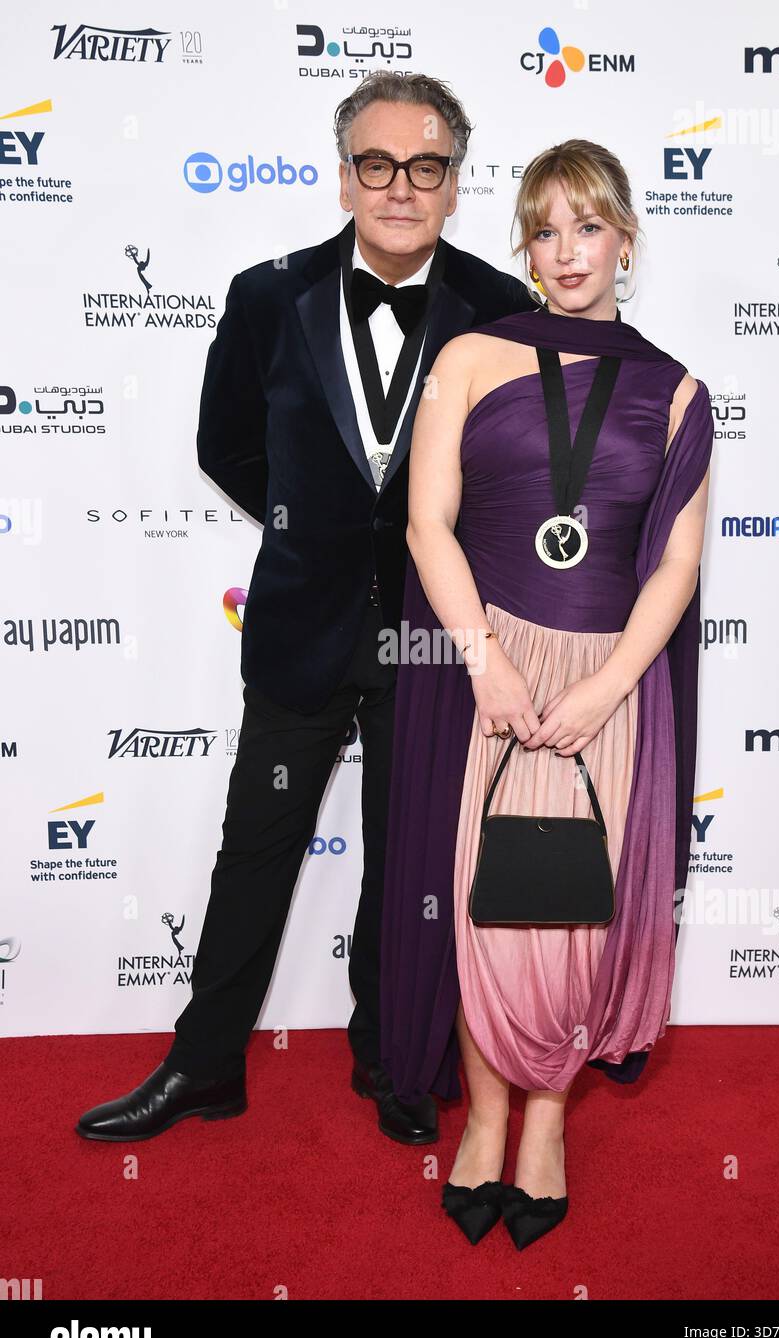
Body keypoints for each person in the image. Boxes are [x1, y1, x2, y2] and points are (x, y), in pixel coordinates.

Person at [75, 72, 534, 1146]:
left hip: (432, 635)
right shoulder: (264, 295)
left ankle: (395, 1056)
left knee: (411, 856)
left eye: (425, 167)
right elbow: (224, 444)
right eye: (376, 164)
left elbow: (512, 479)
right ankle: (203, 1065)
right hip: (299, 623)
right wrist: (304, 526)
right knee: (256, 848)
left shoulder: (503, 311)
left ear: (456, 183)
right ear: (343, 176)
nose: (399, 187)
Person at [378, 138, 713, 1247]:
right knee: (488, 904)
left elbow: (674, 562)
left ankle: (546, 1124)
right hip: (489, 662)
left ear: (625, 235)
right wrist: (484, 659)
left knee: (576, 917)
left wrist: (612, 684)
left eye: (588, 225)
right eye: (543, 227)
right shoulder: (469, 354)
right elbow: (428, 521)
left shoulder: (675, 389)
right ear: (521, 243)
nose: (566, 251)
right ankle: (481, 1118)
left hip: (609, 681)